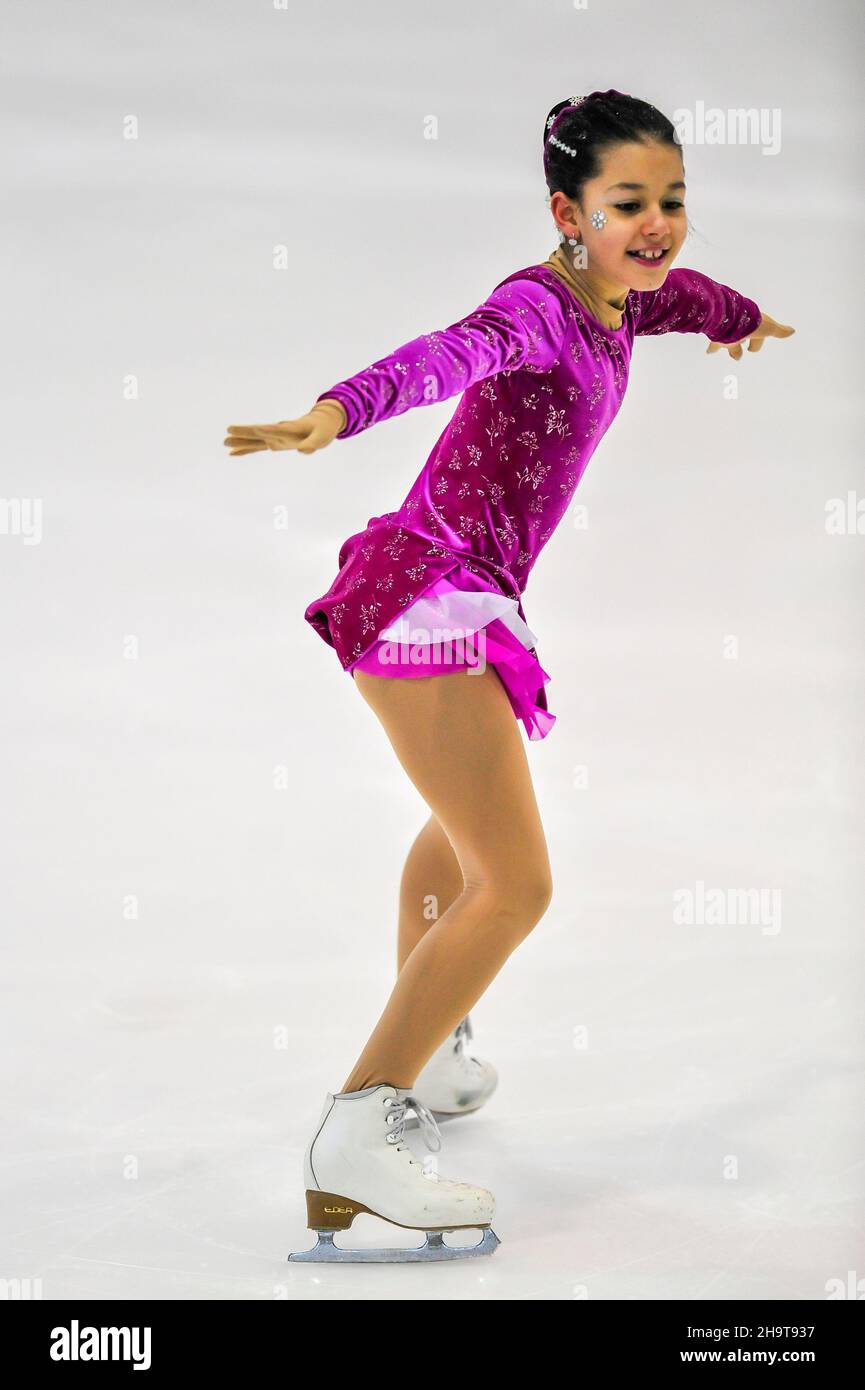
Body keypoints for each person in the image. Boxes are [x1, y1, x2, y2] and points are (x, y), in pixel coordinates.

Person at [225, 90, 795, 1264]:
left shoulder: (621, 296)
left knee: (455, 837)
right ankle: (357, 1133)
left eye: (672, 200)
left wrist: (741, 315)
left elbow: (684, 297)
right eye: (626, 204)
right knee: (518, 883)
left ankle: (426, 1051)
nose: (656, 225)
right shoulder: (537, 305)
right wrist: (339, 407)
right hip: (427, 586)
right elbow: (451, 355)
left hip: (463, 591)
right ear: (565, 212)